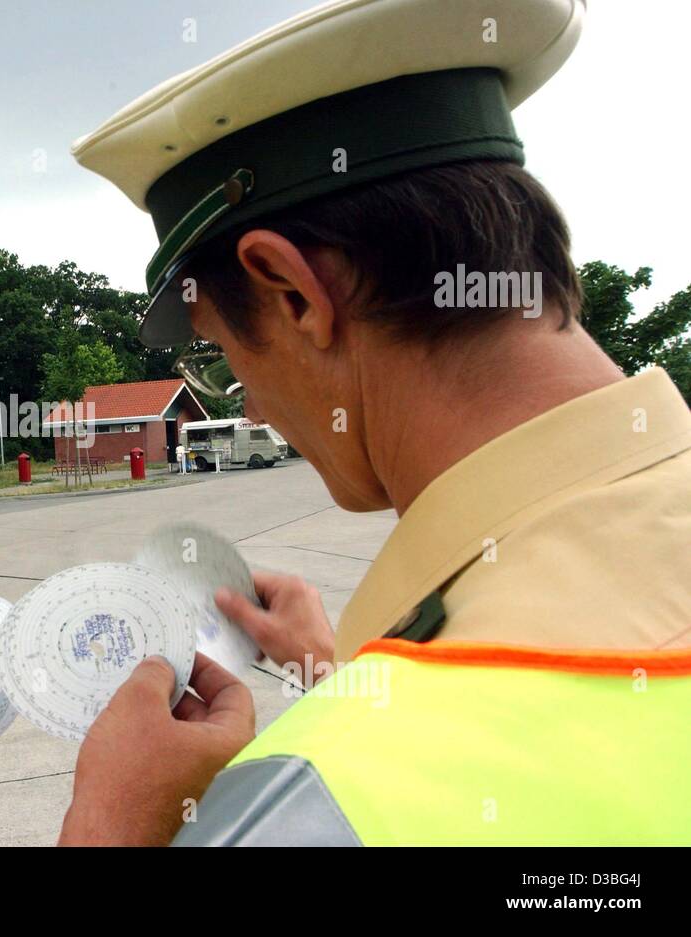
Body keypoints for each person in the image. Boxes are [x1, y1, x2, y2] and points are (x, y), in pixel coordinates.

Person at [62, 0, 691, 845]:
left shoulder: (308, 804)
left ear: (290, 292)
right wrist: (354, 683)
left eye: (220, 354)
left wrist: (109, 824)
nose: (247, 403)